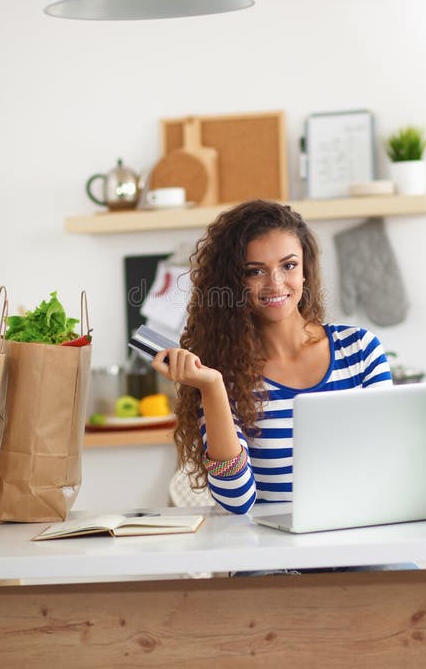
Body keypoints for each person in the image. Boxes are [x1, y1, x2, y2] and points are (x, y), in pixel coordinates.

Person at [151, 199, 393, 516]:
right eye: (255, 271)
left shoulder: (360, 350)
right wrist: (212, 387)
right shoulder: (218, 373)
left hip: (360, 535)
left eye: (288, 265)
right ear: (233, 283)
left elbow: (389, 463)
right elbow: (236, 500)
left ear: (305, 270)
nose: (275, 283)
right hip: (273, 553)